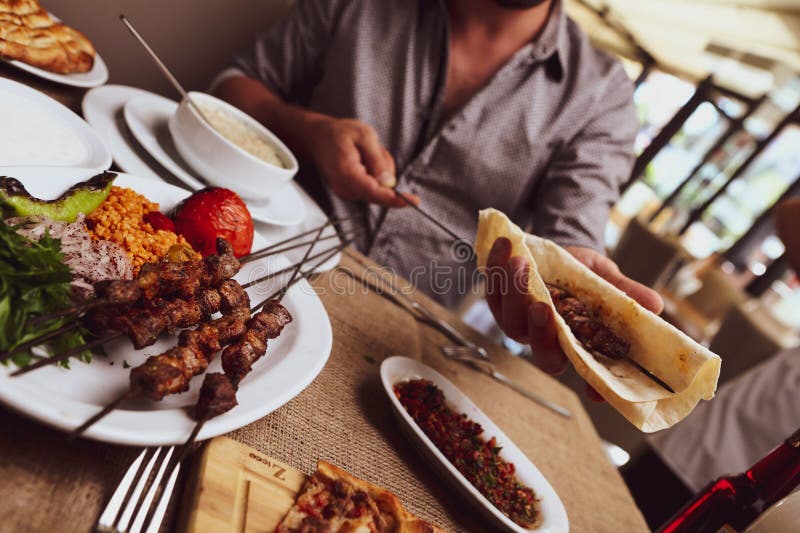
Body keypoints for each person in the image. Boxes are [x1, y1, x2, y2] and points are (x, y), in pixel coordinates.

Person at [214, 0, 662, 382]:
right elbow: (230, 88)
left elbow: (573, 233)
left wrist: (574, 273)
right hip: (249, 261)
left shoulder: (602, 94)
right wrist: (309, 132)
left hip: (388, 348)